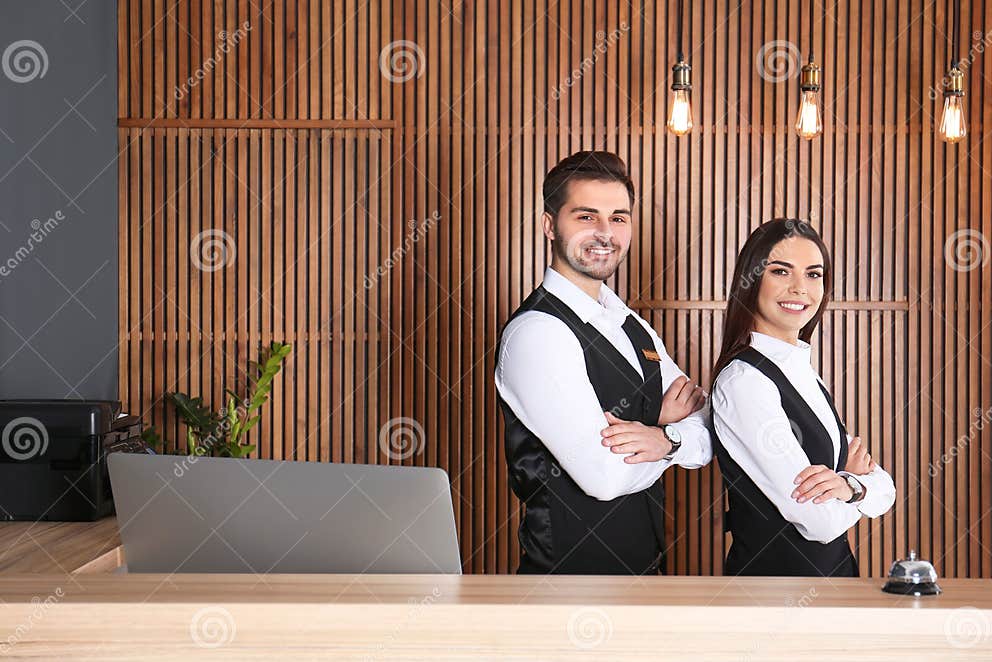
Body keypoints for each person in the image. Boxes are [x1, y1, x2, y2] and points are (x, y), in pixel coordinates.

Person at [495, 150, 712, 575]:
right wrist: (665, 424)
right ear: (549, 226)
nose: (604, 233)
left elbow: (707, 424)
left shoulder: (633, 326)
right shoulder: (537, 333)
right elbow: (604, 477)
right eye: (585, 217)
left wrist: (665, 440)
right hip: (565, 588)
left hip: (646, 579)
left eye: (618, 218)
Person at [710, 219, 896, 577]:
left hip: (834, 587)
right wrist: (856, 487)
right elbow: (820, 522)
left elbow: (885, 487)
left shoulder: (804, 372)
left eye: (814, 275)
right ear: (751, 281)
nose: (800, 288)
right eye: (781, 271)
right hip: (774, 599)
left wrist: (850, 485)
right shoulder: (744, 382)